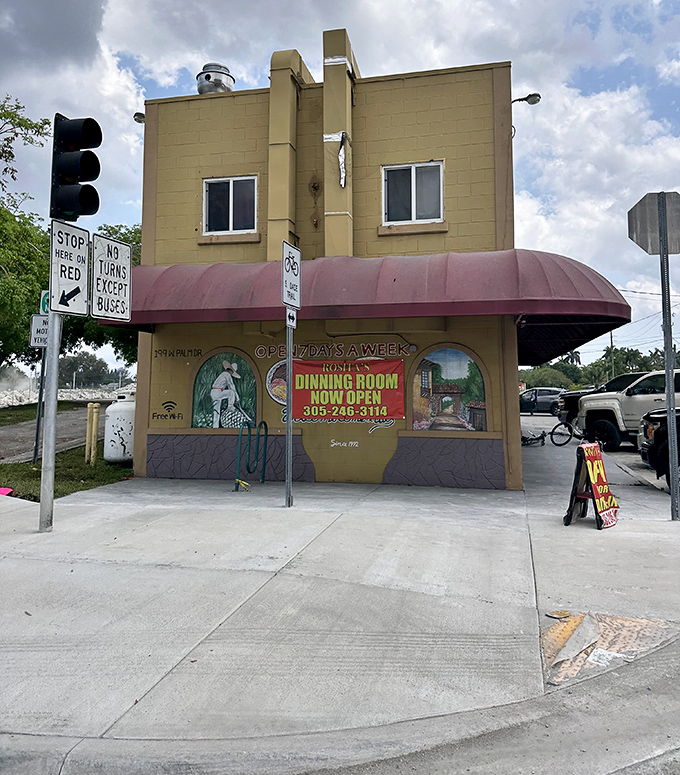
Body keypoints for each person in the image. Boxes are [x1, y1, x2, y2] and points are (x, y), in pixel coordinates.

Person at [211, 361, 241, 428]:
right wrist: (237, 397)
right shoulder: (227, 375)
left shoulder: (222, 374)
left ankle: (215, 426)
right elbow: (231, 386)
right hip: (218, 392)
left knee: (216, 411)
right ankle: (230, 406)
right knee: (231, 392)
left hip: (213, 392)